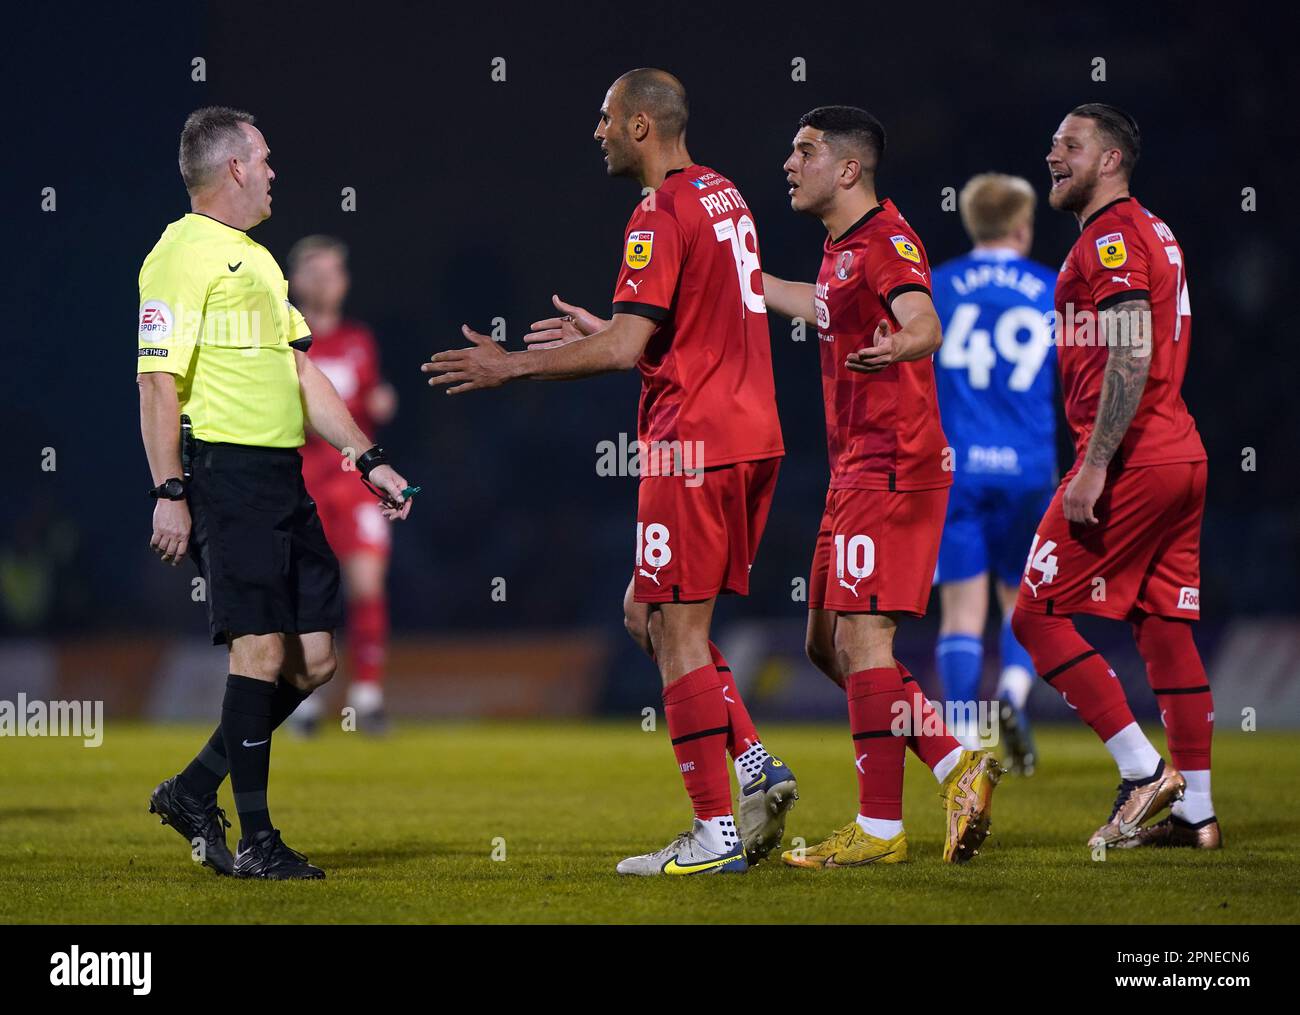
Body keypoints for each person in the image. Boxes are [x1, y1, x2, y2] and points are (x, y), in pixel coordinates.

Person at [423, 68, 795, 876]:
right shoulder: (724, 193)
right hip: (750, 434)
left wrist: (511, 368)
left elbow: (628, 349)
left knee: (679, 630)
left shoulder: (656, 210)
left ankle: (713, 834)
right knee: (646, 614)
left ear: (639, 126)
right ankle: (760, 767)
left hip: (690, 440)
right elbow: (693, 318)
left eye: (603, 118)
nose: (593, 132)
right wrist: (624, 326)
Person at [138, 106, 414, 880]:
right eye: (262, 158)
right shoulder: (178, 254)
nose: (271, 170)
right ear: (231, 168)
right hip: (223, 473)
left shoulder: (257, 262)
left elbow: (300, 373)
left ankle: (194, 787)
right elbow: (156, 379)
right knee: (259, 649)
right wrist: (169, 489)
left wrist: (367, 457)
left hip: (282, 478)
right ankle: (259, 840)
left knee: (316, 659)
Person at [761, 106, 1002, 868]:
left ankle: (879, 830)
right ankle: (955, 762)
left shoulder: (889, 239)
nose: (789, 165)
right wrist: (747, 277)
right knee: (827, 646)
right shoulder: (840, 251)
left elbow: (924, 317)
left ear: (848, 168)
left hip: (894, 467)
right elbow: (821, 301)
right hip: (854, 470)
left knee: (865, 638)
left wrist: (908, 340)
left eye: (804, 152)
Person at [1012, 103, 1218, 849]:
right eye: (1051, 143)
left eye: (1070, 144)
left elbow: (1130, 348)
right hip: (1179, 452)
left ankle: (1141, 770)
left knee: (1033, 615)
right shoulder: (1151, 228)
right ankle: (1197, 815)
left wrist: (1094, 465)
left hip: (1133, 457)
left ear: (1110, 160)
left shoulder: (1111, 236)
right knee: (1165, 629)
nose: (1052, 155)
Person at [930, 173, 1059, 771]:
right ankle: (1010, 695)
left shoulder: (938, 286)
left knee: (960, 610)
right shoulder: (1050, 289)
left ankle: (963, 743)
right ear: (1023, 226)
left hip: (956, 467)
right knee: (1023, 601)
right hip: (1029, 468)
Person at [289, 235, 398, 733]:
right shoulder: (286, 339)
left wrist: (382, 402)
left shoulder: (359, 340)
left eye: (337, 270)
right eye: (319, 270)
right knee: (306, 589)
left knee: (366, 583)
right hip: (303, 480)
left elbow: (374, 398)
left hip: (355, 484)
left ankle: (368, 696)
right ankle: (304, 701)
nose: (330, 280)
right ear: (295, 281)